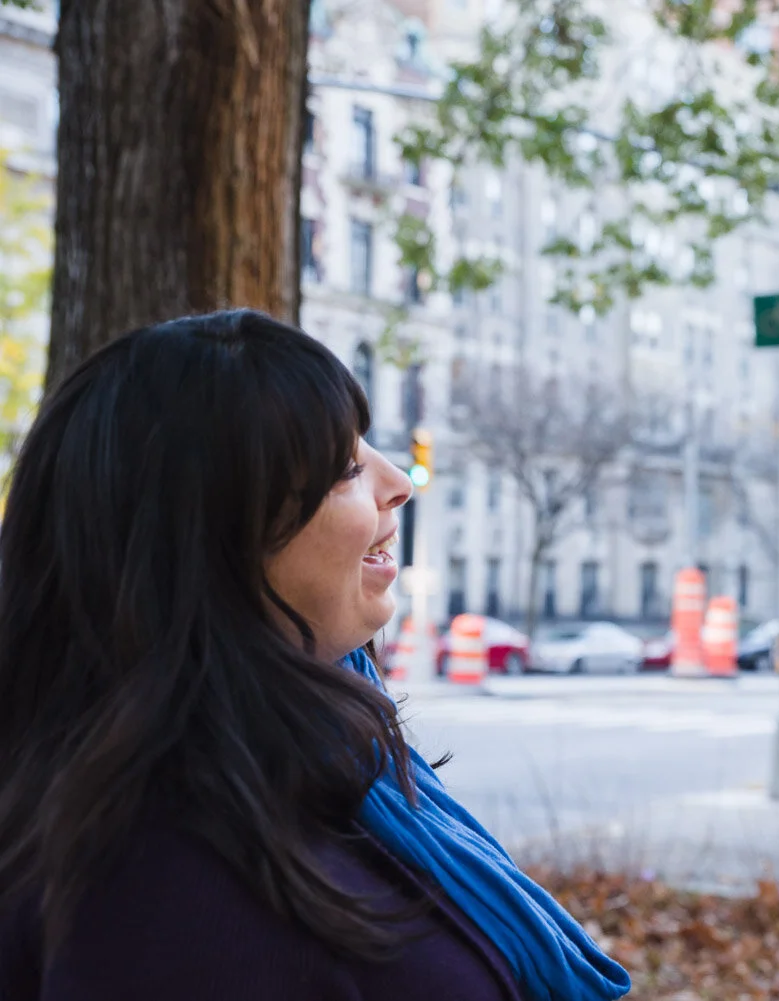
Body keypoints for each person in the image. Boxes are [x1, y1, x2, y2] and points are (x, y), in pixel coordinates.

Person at [0, 311, 631, 1001]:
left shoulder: (315, 760)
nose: (399, 482)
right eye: (346, 468)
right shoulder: (160, 881)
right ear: (214, 536)